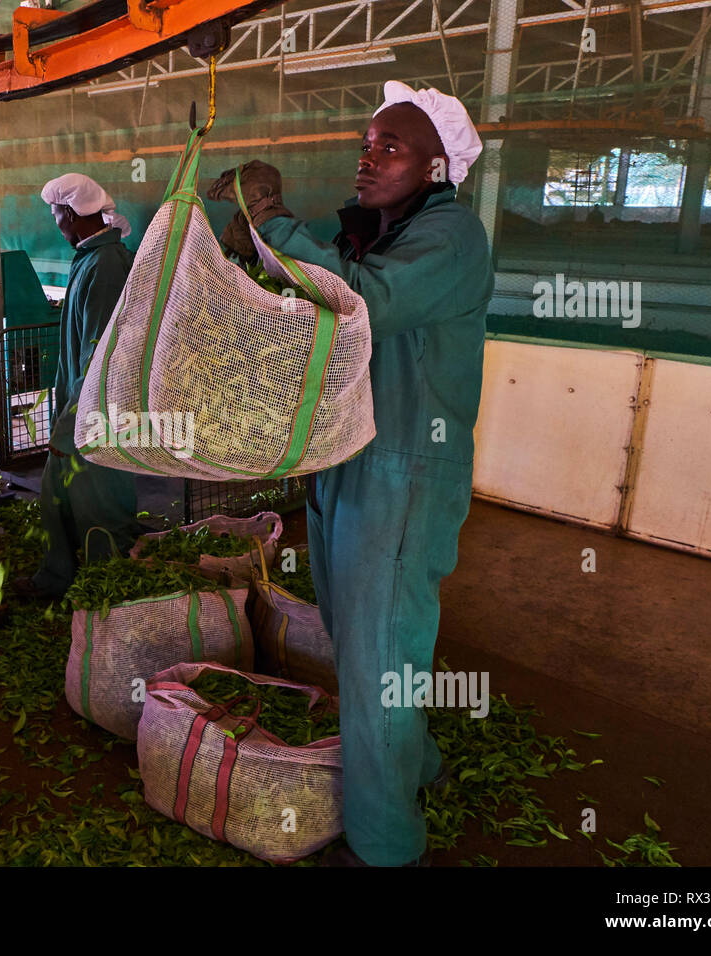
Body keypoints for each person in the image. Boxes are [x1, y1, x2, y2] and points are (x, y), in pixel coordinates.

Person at [208, 81, 494, 866]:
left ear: (438, 166)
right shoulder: (380, 234)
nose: (367, 158)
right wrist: (253, 256)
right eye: (366, 145)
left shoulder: (454, 236)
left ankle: (386, 842)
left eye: (389, 147)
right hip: (346, 459)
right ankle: (416, 765)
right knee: (357, 637)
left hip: (402, 476)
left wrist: (271, 225)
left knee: (379, 657)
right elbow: (322, 306)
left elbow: (363, 301)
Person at [18, 173, 143, 598]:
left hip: (96, 411)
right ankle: (64, 580)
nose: (55, 222)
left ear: (70, 213)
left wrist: (74, 420)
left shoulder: (106, 265)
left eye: (56, 214)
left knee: (99, 503)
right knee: (62, 494)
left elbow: (99, 353)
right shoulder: (92, 257)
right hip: (84, 406)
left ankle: (106, 590)